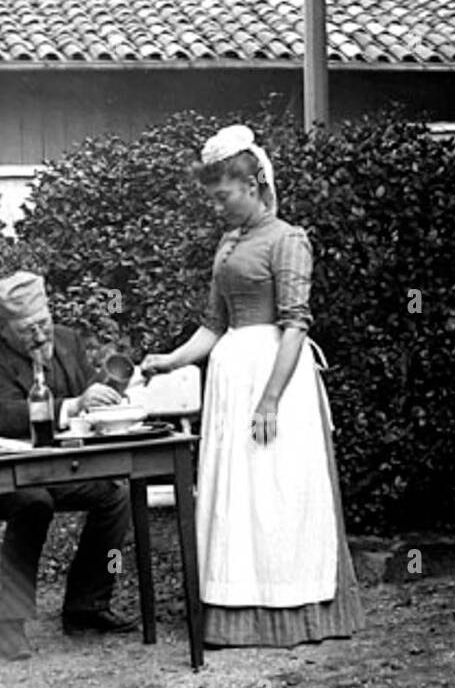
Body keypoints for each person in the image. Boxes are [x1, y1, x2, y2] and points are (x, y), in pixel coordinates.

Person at [141, 125, 364, 647]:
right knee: (234, 493)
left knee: (277, 490)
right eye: (213, 198)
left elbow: (295, 325)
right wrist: (169, 359)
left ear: (254, 184)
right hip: (230, 376)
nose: (218, 207)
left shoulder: (288, 239)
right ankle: (233, 608)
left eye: (224, 196)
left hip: (274, 376)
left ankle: (295, 608)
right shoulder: (227, 243)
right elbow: (214, 325)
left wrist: (270, 399)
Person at [0, 271, 136, 661]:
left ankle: (86, 605)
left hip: (61, 468)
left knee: (115, 494)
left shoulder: (68, 341)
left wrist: (105, 395)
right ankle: (11, 624)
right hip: (3, 475)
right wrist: (71, 407)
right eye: (29, 330)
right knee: (33, 503)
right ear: (4, 329)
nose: (42, 336)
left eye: (43, 324)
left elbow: (90, 389)